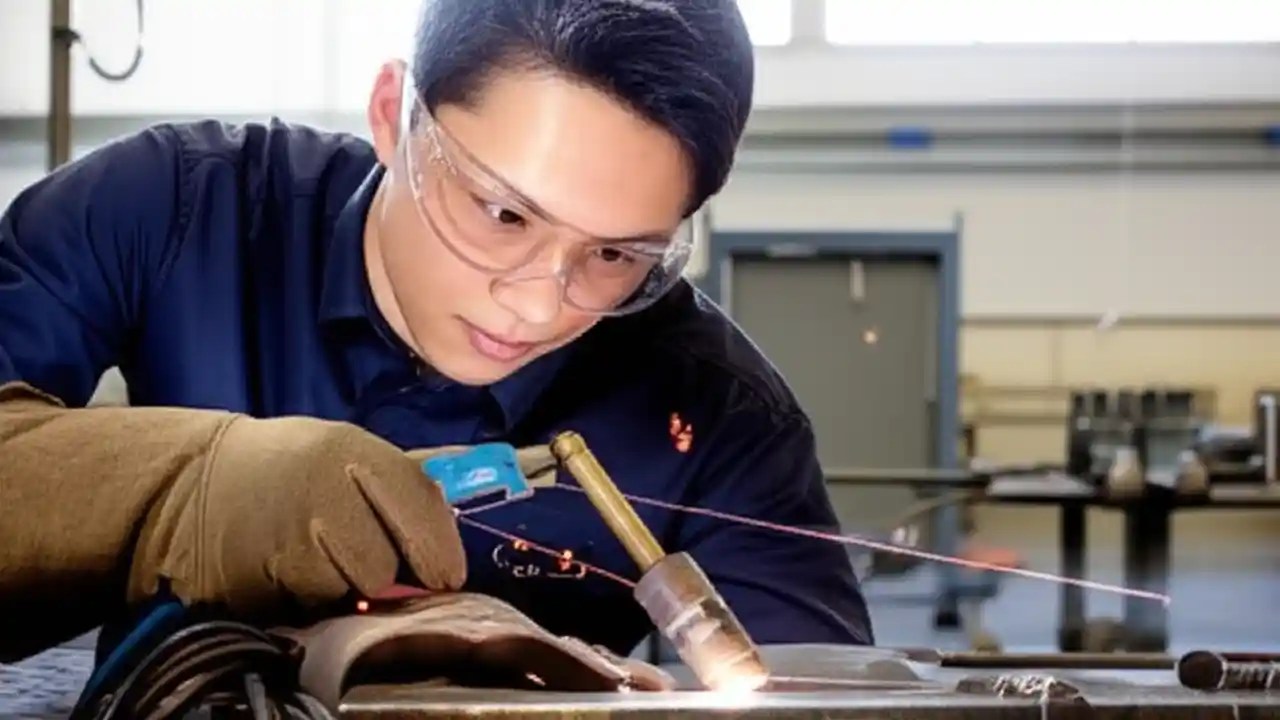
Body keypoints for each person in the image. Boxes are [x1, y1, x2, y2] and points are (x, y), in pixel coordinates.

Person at [0, 0, 874, 667]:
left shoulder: (718, 414)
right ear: (393, 115)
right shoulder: (174, 209)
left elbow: (809, 688)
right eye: (501, 213)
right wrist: (189, 488)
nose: (540, 306)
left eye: (613, 253)